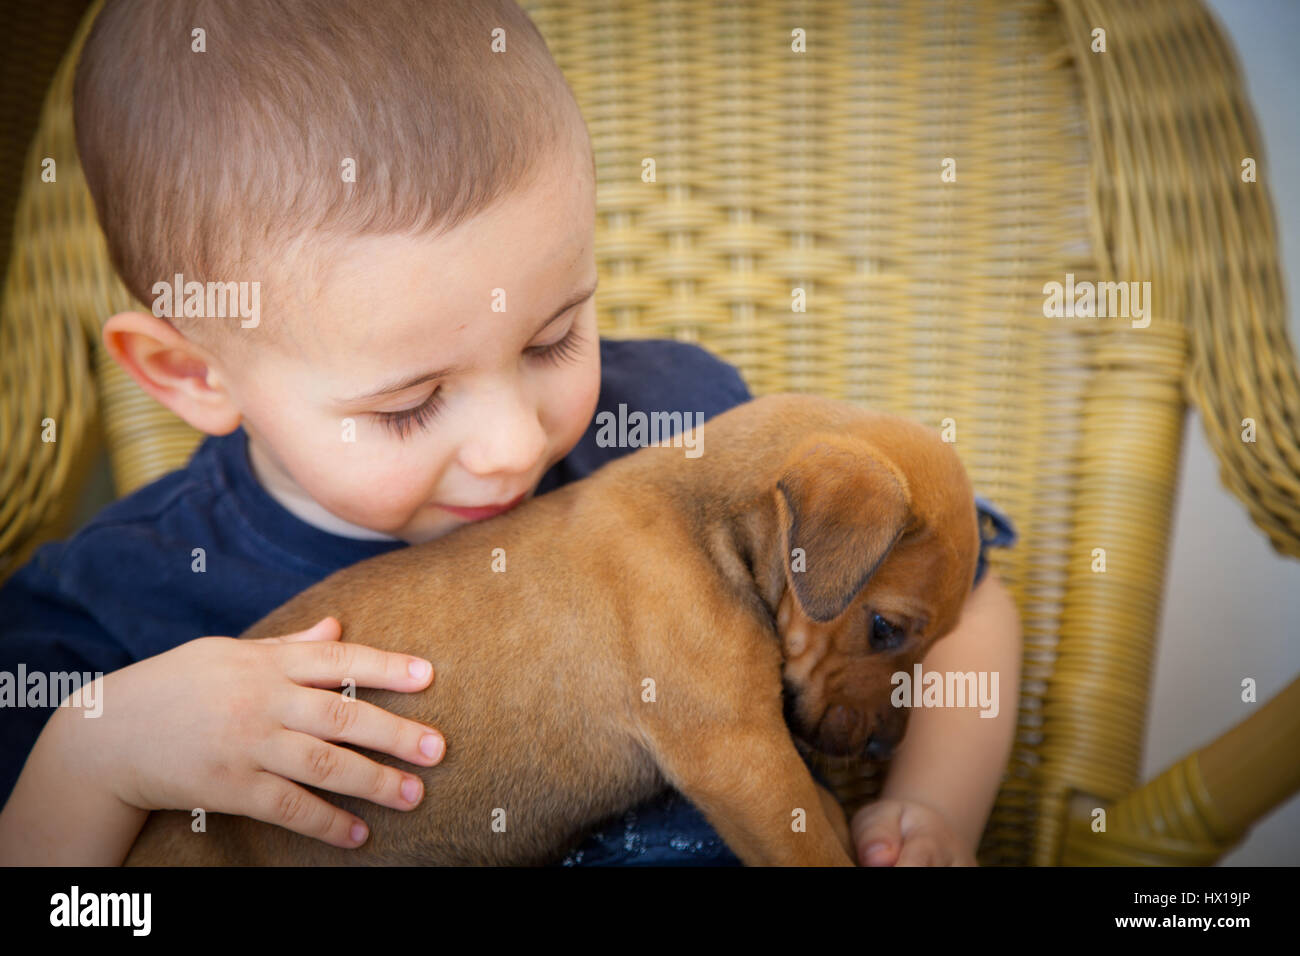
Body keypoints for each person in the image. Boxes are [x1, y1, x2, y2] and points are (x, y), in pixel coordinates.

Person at [0, 0, 1020, 866]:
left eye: (553, 336)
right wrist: (93, 755)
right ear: (191, 374)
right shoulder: (122, 605)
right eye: (408, 403)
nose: (509, 443)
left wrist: (930, 806)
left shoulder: (687, 433)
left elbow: (958, 594)